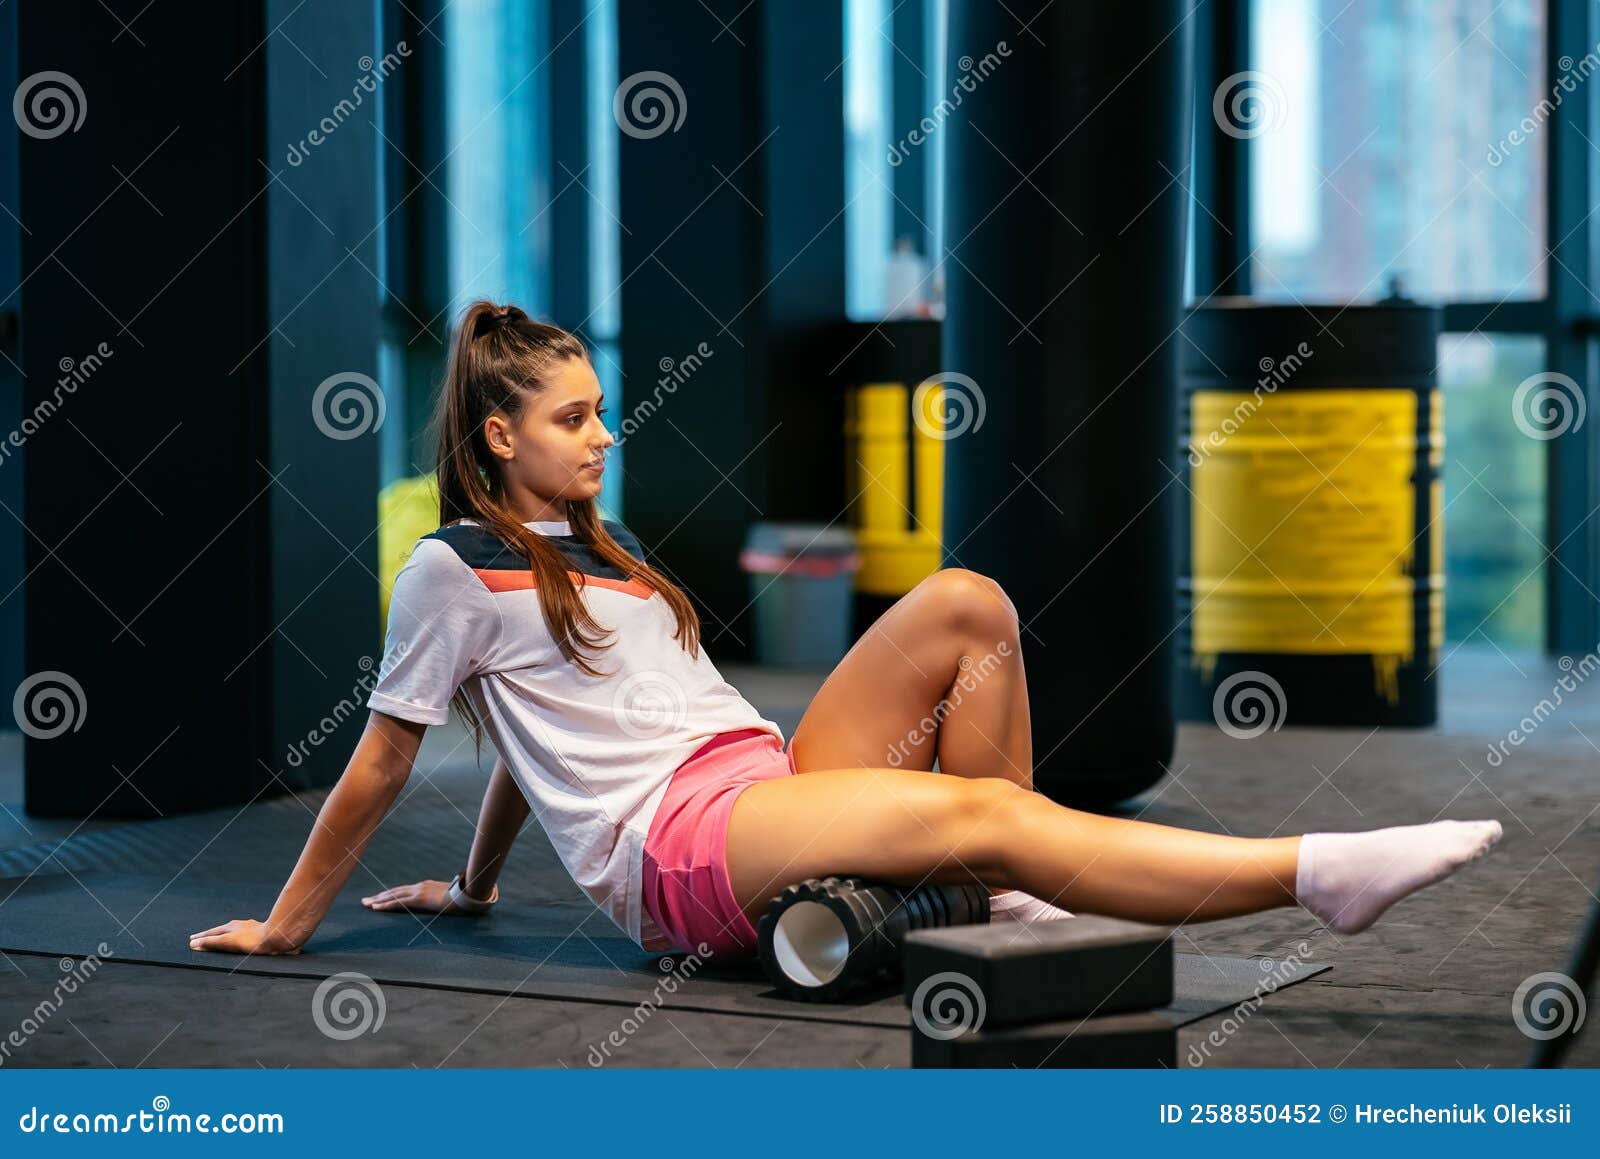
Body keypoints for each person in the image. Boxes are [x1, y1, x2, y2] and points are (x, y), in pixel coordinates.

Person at [189, 300, 1504, 963]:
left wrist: (477, 887)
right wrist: (290, 926)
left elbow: (535, 745)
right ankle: (1315, 872)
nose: (604, 433)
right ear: (499, 437)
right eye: (574, 418)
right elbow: (384, 762)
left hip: (766, 786)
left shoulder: (605, 552)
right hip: (686, 856)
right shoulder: (445, 571)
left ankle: (1011, 878)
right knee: (977, 816)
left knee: (966, 603)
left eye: (600, 411)